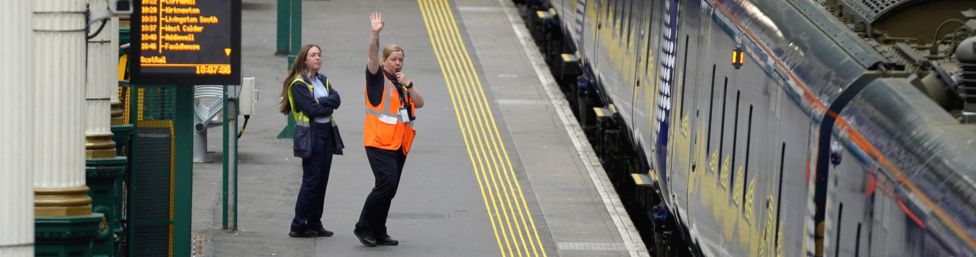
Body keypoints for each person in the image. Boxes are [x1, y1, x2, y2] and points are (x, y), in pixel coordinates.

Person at [354, 11, 425, 247]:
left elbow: (421, 103)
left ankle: (379, 229)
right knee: (386, 185)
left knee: (389, 188)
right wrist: (375, 33)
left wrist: (410, 84)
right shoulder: (377, 78)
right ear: (384, 60)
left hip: (398, 144)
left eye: (400, 59)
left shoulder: (401, 82)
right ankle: (364, 227)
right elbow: (371, 56)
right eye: (393, 59)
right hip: (378, 141)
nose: (397, 63)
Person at [279, 44, 343, 238]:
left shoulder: (323, 80)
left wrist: (323, 102)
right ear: (304, 60)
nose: (317, 58)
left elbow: (337, 99)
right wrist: (327, 105)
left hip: (326, 134)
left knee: (322, 180)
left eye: (319, 55)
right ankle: (298, 225)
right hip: (311, 135)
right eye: (313, 55)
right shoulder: (298, 84)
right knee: (311, 181)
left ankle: (315, 222)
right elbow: (312, 111)